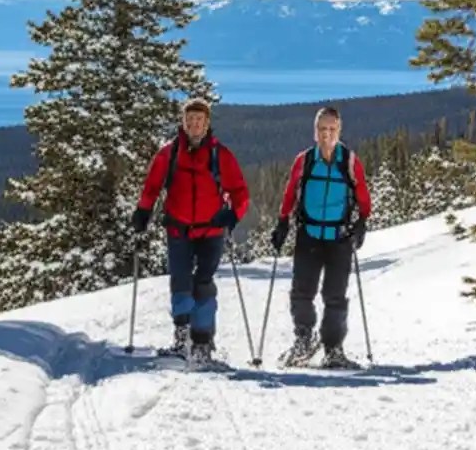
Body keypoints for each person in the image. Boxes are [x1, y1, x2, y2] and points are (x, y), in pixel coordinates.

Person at [131, 97, 250, 364]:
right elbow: (152, 186)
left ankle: (202, 342)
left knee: (203, 284)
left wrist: (232, 215)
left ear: (207, 124)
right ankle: (182, 336)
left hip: (211, 232)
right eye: (190, 120)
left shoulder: (221, 155)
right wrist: (143, 212)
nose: (194, 124)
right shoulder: (169, 153)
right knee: (181, 283)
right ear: (183, 123)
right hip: (178, 230)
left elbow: (240, 192)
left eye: (199, 120)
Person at [269, 106, 371, 368]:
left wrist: (361, 222)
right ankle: (304, 339)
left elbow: (363, 196)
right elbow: (290, 193)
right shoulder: (304, 160)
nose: (327, 134)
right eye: (322, 129)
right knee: (302, 292)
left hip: (339, 236)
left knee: (335, 295)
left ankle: (333, 349)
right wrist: (282, 222)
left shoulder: (349, 160)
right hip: (309, 234)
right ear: (315, 131)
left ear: (339, 131)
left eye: (332, 129)